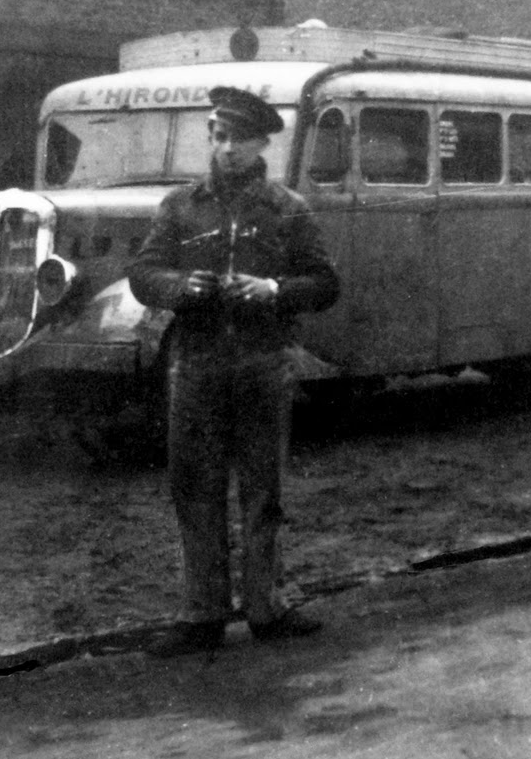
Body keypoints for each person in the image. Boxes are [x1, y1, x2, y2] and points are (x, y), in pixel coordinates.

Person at [128, 85, 340, 657]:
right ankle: (202, 614)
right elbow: (143, 273)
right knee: (194, 487)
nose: (224, 151)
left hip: (262, 365)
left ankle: (267, 607)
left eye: (236, 141)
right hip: (195, 365)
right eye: (216, 138)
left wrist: (274, 289)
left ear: (260, 145)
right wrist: (179, 287)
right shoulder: (179, 207)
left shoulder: (288, 210)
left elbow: (326, 284)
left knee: (262, 489)